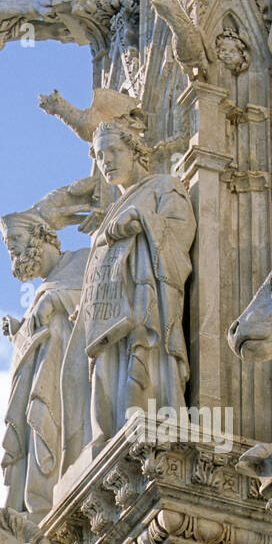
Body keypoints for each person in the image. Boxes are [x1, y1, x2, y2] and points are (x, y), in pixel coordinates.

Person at [59, 116, 197, 471]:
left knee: (141, 361)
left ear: (135, 151)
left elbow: (180, 234)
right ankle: (111, 433)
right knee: (103, 375)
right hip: (107, 316)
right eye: (101, 155)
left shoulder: (164, 187)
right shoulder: (108, 218)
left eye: (115, 151)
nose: (108, 161)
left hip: (145, 301)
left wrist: (141, 221)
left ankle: (150, 413)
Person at [0, 210, 88, 518]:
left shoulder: (83, 260)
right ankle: (38, 503)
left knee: (49, 423)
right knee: (34, 425)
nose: (11, 248)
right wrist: (19, 333)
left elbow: (104, 292)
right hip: (42, 372)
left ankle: (49, 498)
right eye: (7, 243)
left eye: (15, 239)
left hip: (69, 373)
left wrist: (58, 300)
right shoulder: (45, 286)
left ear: (40, 236)